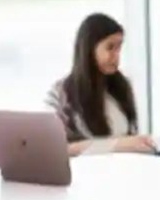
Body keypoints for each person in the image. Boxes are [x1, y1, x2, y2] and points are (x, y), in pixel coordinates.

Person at [46, 13, 154, 156]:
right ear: (89, 49)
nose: (116, 56)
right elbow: (57, 149)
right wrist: (118, 145)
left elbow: (131, 137)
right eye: (110, 48)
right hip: (85, 173)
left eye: (119, 48)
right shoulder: (62, 93)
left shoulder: (121, 86)